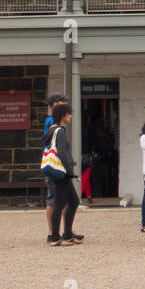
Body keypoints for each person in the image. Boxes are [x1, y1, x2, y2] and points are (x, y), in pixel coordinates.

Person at [46, 100, 82, 246]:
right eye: (69, 114)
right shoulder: (60, 131)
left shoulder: (52, 129)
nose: (71, 117)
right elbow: (63, 152)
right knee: (59, 204)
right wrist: (70, 171)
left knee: (73, 201)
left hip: (59, 173)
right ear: (63, 115)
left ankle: (67, 234)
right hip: (61, 173)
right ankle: (55, 238)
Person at [42, 91, 67, 243]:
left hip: (57, 165)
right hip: (54, 166)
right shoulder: (52, 122)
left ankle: (65, 230)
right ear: (56, 104)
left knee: (64, 200)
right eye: (63, 102)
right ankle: (52, 233)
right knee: (53, 200)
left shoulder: (56, 121)